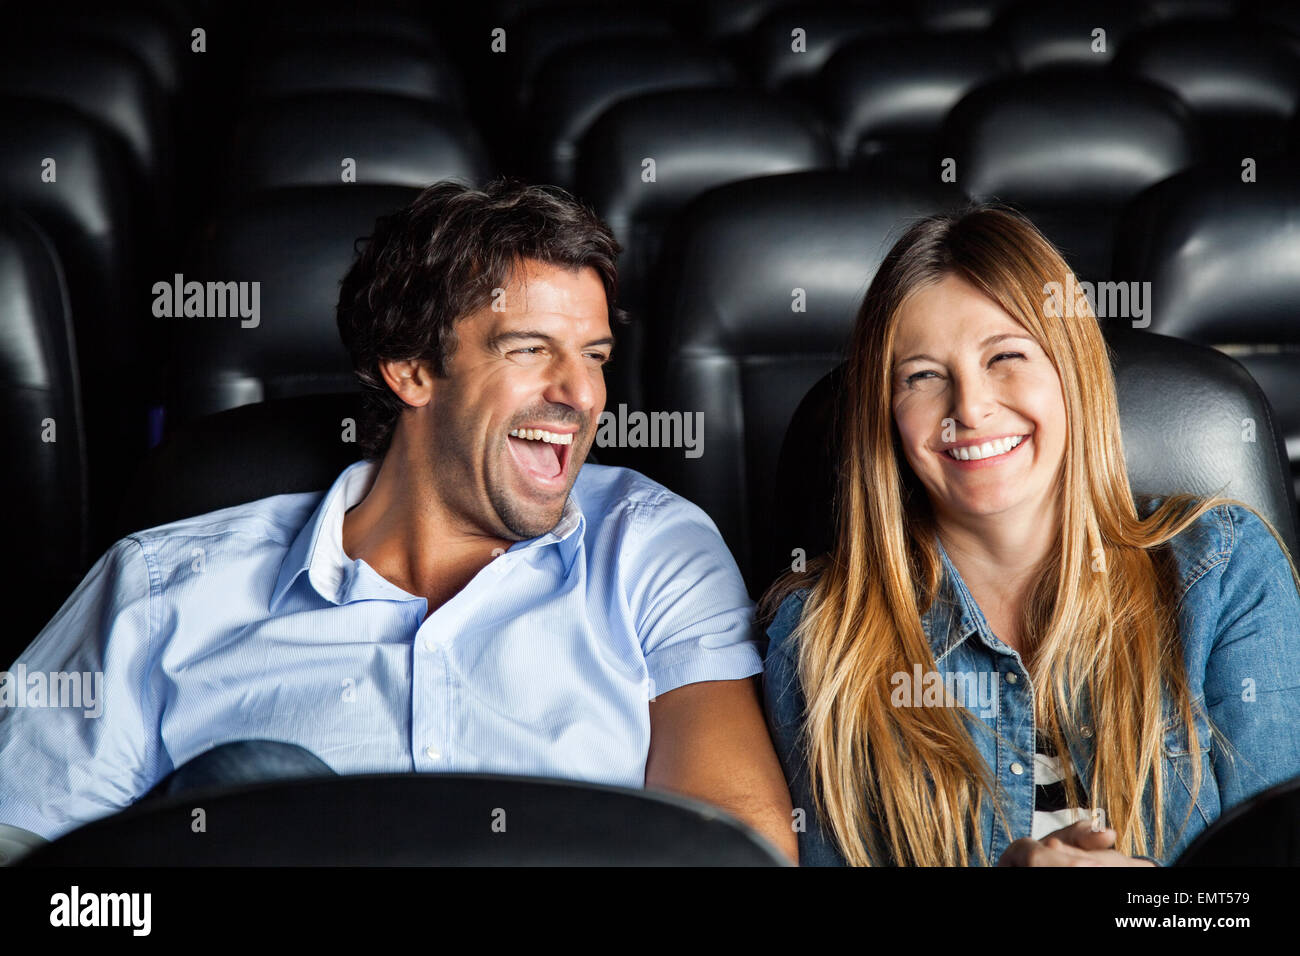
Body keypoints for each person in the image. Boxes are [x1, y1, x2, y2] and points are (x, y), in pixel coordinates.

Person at [0, 179, 795, 863]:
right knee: (248, 783)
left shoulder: (654, 546)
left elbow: (734, 846)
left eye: (593, 355)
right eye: (530, 349)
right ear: (412, 368)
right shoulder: (158, 587)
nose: (582, 395)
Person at [761, 204, 1300, 867]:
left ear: (1072, 372)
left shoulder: (1225, 570)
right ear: (887, 415)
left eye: (1006, 356)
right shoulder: (819, 637)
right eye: (923, 376)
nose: (970, 408)